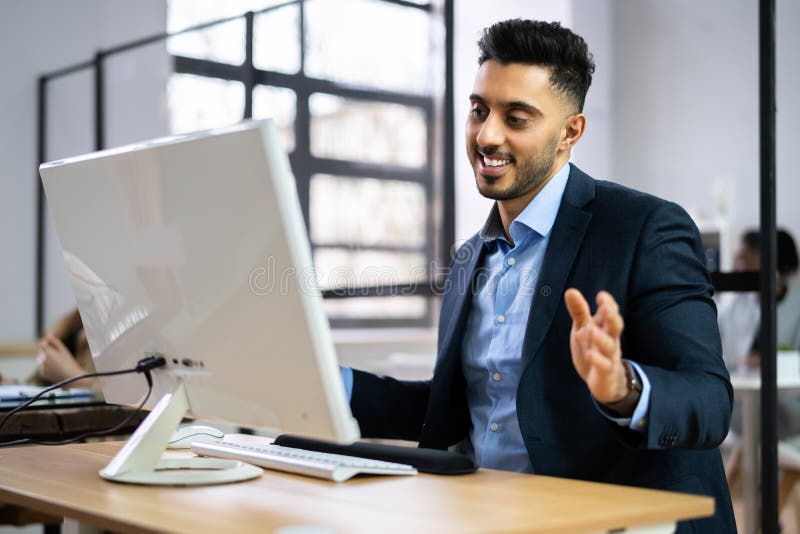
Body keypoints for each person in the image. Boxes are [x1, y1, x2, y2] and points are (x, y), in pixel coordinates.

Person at [342, 19, 734, 532]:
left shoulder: (645, 229)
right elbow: (456, 407)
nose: (486, 135)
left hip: (612, 521)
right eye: (479, 110)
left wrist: (622, 390)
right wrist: (333, 383)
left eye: (517, 118)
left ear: (571, 132)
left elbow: (708, 402)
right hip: (492, 516)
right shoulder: (469, 258)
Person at [0, 308, 97, 390]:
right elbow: (35, 388)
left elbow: (108, 395)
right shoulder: (74, 321)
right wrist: (7, 382)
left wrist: (71, 377)